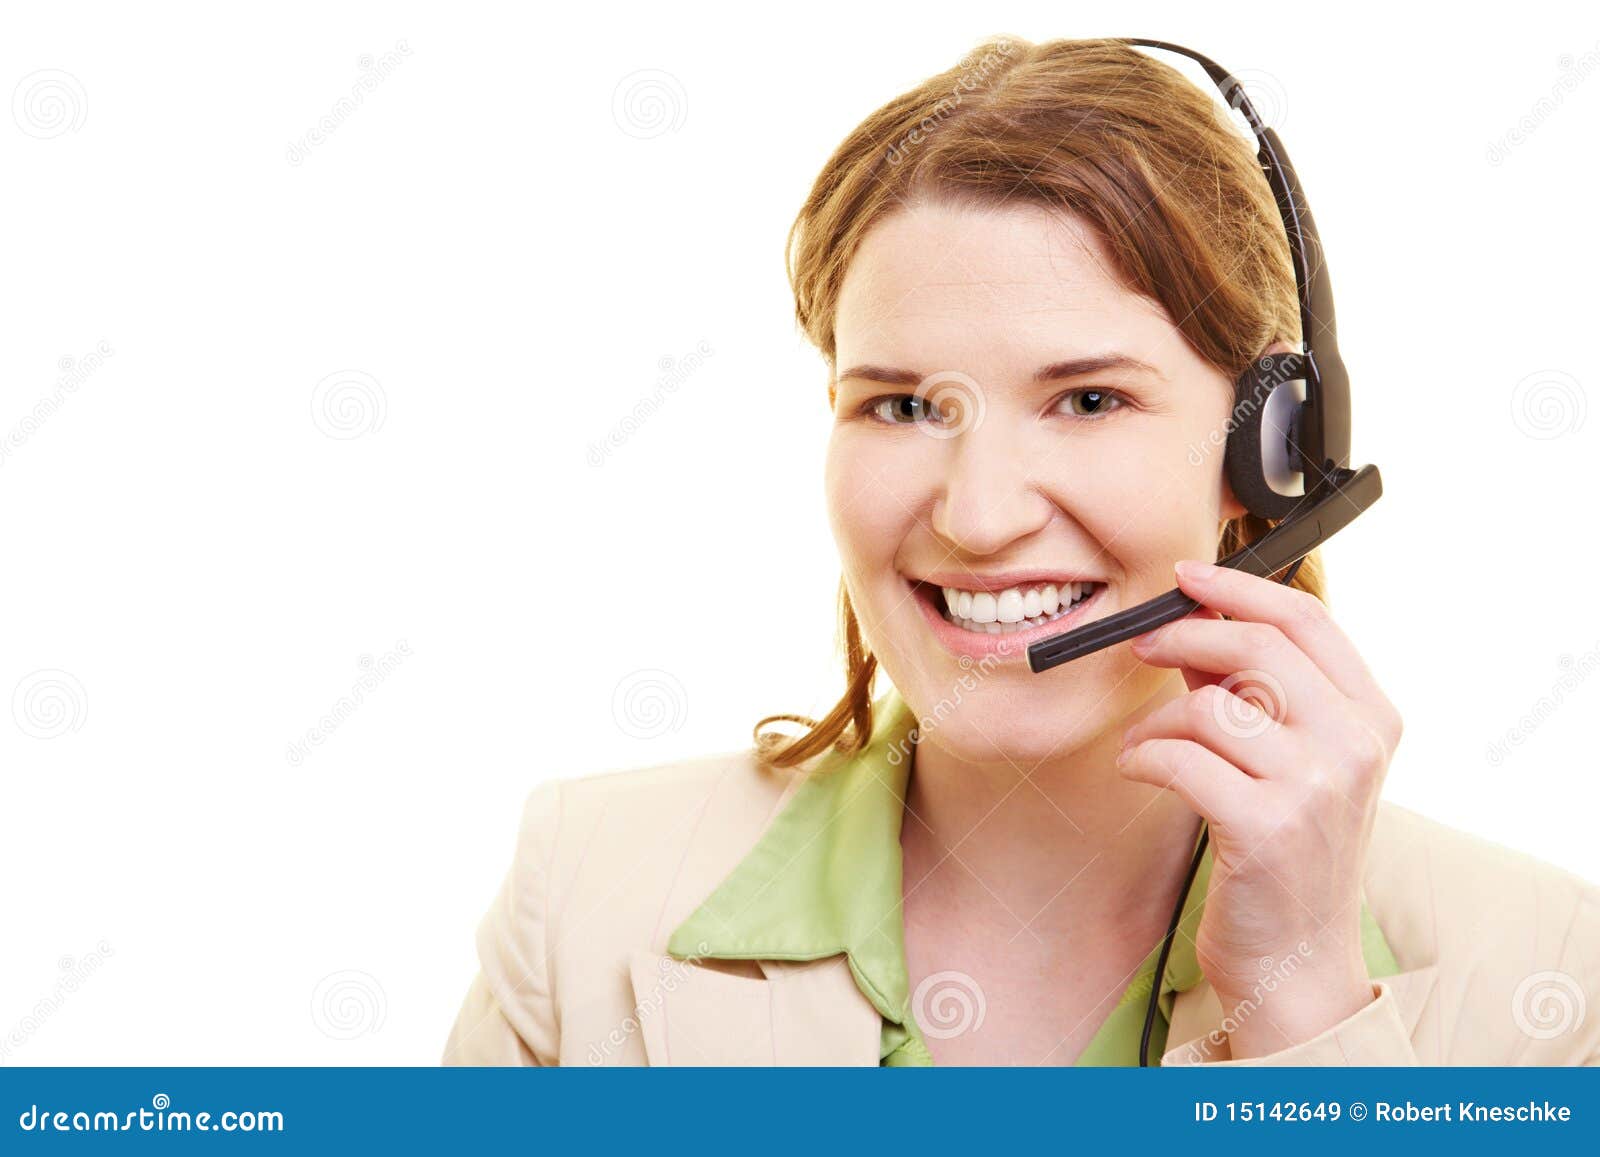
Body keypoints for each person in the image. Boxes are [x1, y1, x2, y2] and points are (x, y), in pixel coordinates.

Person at [443, 35, 1600, 1066]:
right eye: (900, 407)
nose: (977, 515)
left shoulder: (1544, 976)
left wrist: (1303, 1001)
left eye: (1087, 399)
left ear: (1271, 454)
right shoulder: (583, 891)